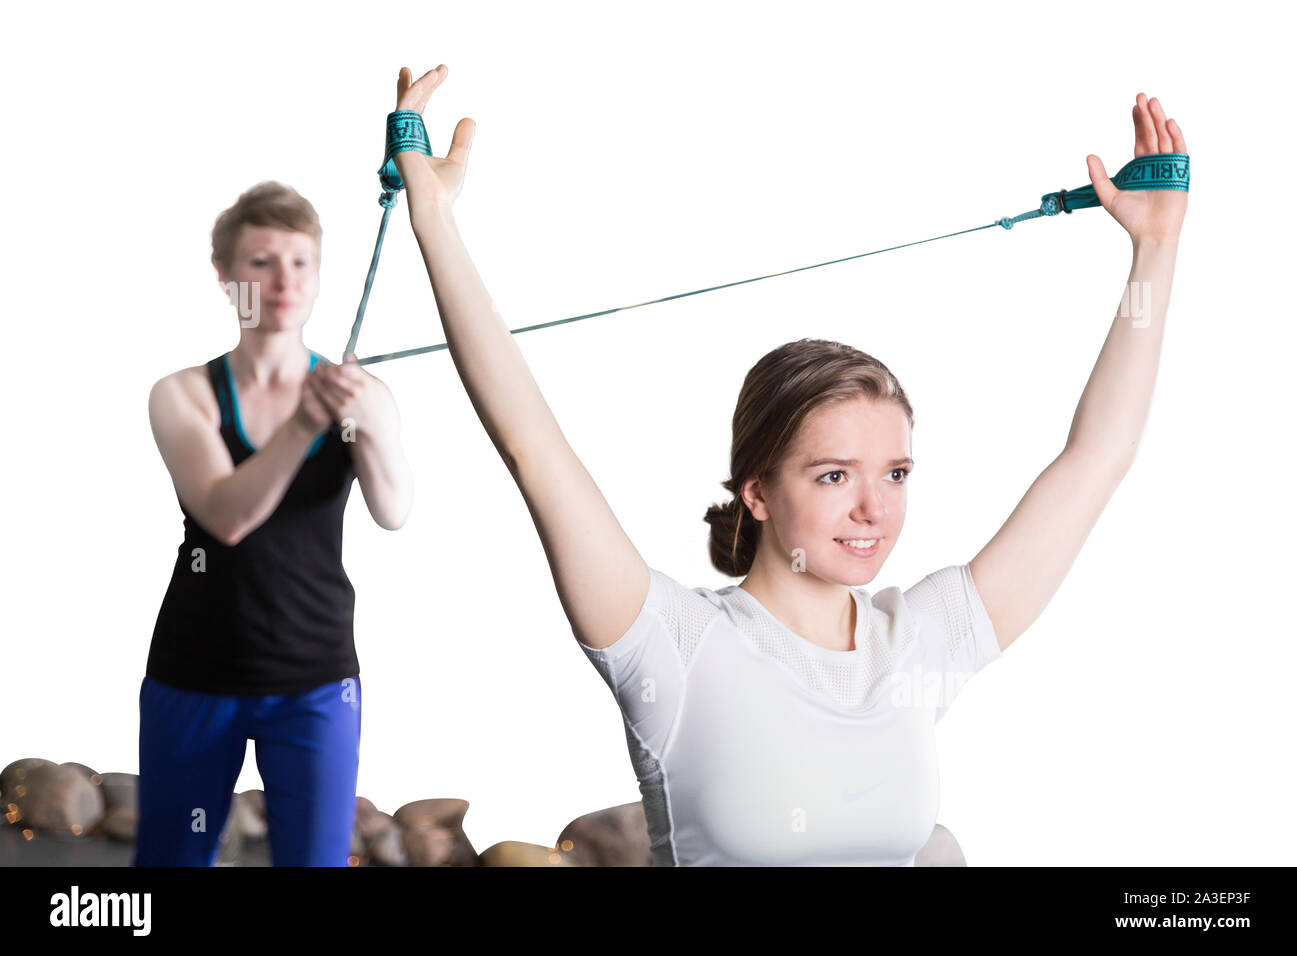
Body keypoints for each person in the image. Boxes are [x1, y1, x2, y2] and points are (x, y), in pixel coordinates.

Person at [391, 64, 1186, 865]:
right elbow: (533, 446)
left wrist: (1154, 249)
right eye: (834, 475)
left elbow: (1098, 458)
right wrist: (434, 219)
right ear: (759, 492)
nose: (875, 509)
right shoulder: (674, 643)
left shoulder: (921, 644)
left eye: (896, 474)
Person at [136, 182, 414, 866]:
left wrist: (370, 425)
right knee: (171, 862)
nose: (283, 281)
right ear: (227, 278)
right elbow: (226, 517)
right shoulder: (183, 395)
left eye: (300, 263)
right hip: (195, 672)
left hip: (316, 677)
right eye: (261, 263)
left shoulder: (360, 395)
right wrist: (306, 424)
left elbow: (393, 511)